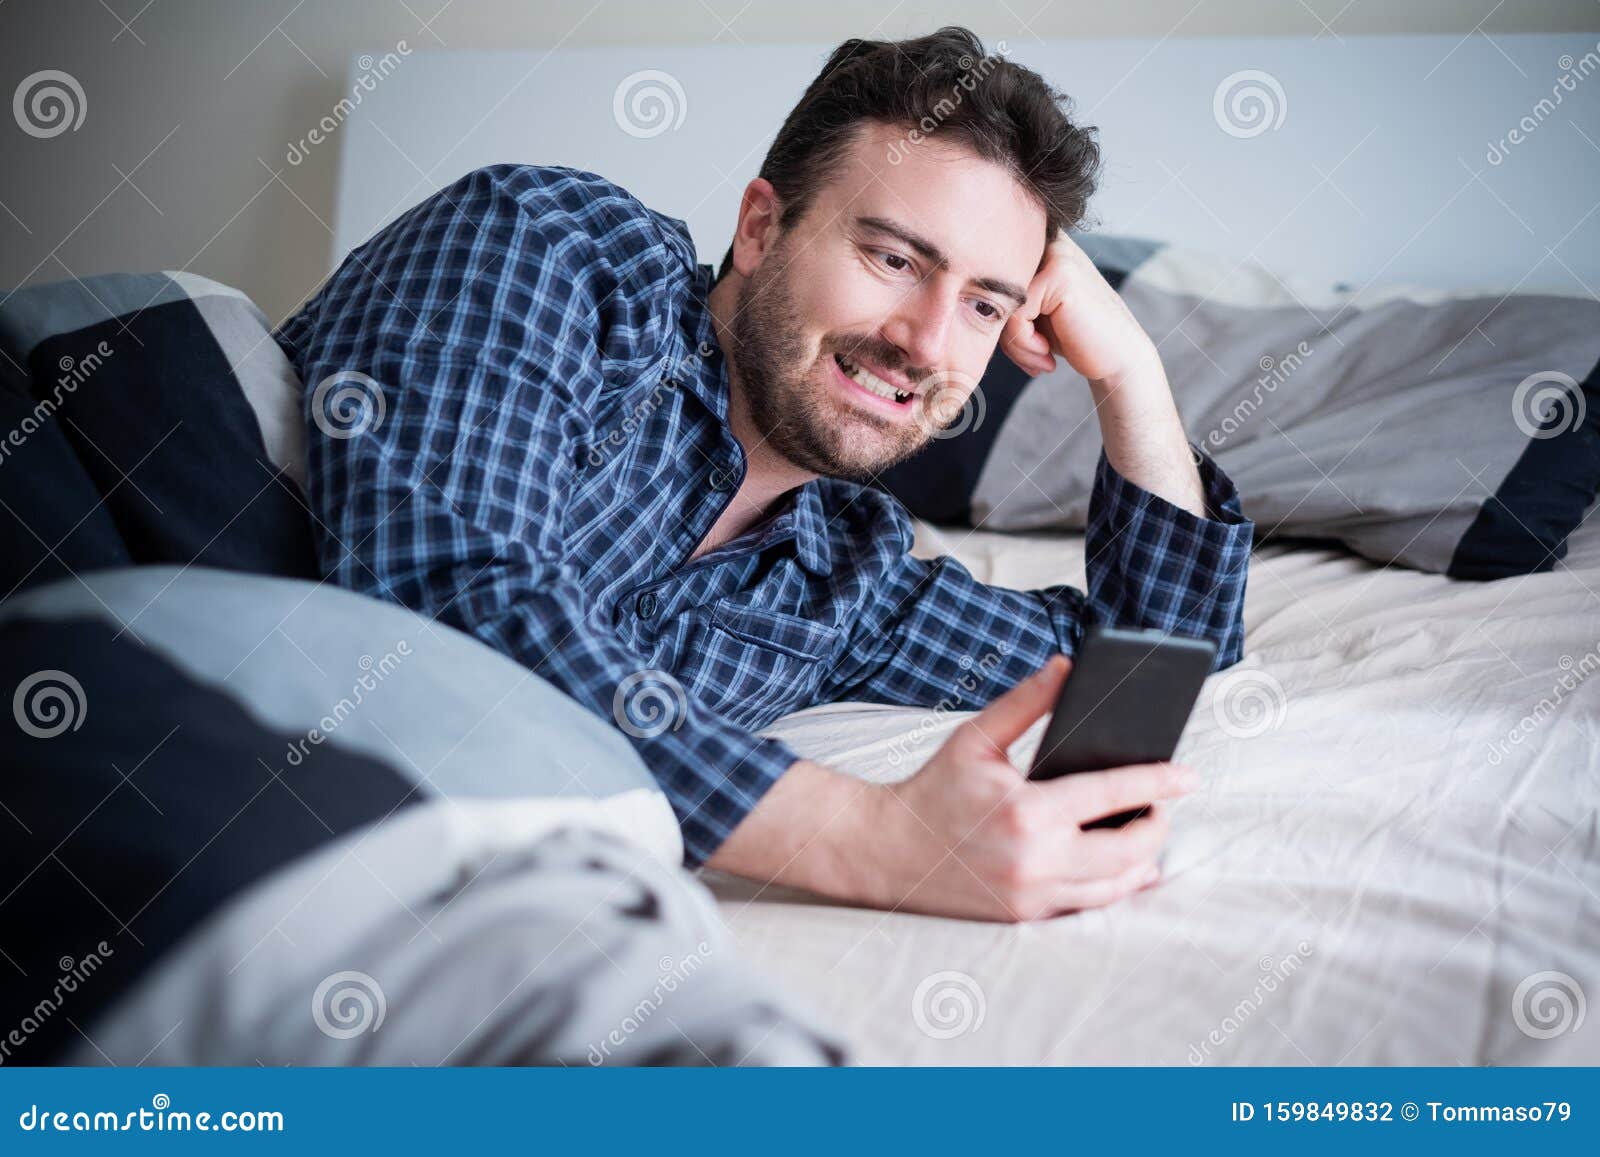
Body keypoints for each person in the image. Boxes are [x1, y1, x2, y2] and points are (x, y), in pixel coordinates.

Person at [275, 26, 1253, 922]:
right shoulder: (556, 251)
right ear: (758, 228)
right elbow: (444, 609)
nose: (926, 343)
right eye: (894, 259)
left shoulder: (846, 579)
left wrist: (1131, 373)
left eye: (984, 306)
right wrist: (878, 836)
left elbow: (1156, 660)